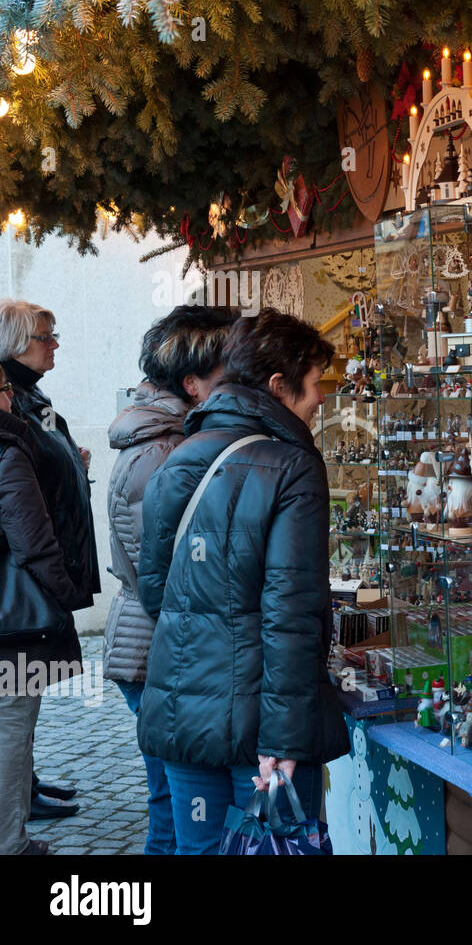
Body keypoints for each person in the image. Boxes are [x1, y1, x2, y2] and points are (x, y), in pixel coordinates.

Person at [137, 308, 349, 855]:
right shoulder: (291, 466)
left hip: (183, 709)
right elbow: (291, 614)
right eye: (313, 384)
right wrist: (283, 738)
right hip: (259, 724)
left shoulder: (179, 456)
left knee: (199, 850)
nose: (321, 397)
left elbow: (155, 593)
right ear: (279, 386)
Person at [103, 305, 234, 855]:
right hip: (154, 650)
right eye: (229, 370)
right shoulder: (165, 452)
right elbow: (170, 575)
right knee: (178, 814)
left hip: (150, 646)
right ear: (193, 383)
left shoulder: (162, 439)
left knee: (169, 803)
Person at [0, 299, 97, 821]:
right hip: (23, 588)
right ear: (14, 344)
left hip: (31, 578)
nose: (55, 344)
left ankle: (24, 789)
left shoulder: (29, 397)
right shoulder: (10, 404)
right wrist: (59, 583)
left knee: (20, 707)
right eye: (45, 336)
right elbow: (19, 503)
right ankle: (13, 811)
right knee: (14, 709)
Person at [0, 372, 82, 854]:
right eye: (6, 391)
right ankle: (10, 842)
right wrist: (64, 593)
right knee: (12, 731)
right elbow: (33, 542)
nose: (13, 398)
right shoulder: (9, 452)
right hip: (15, 628)